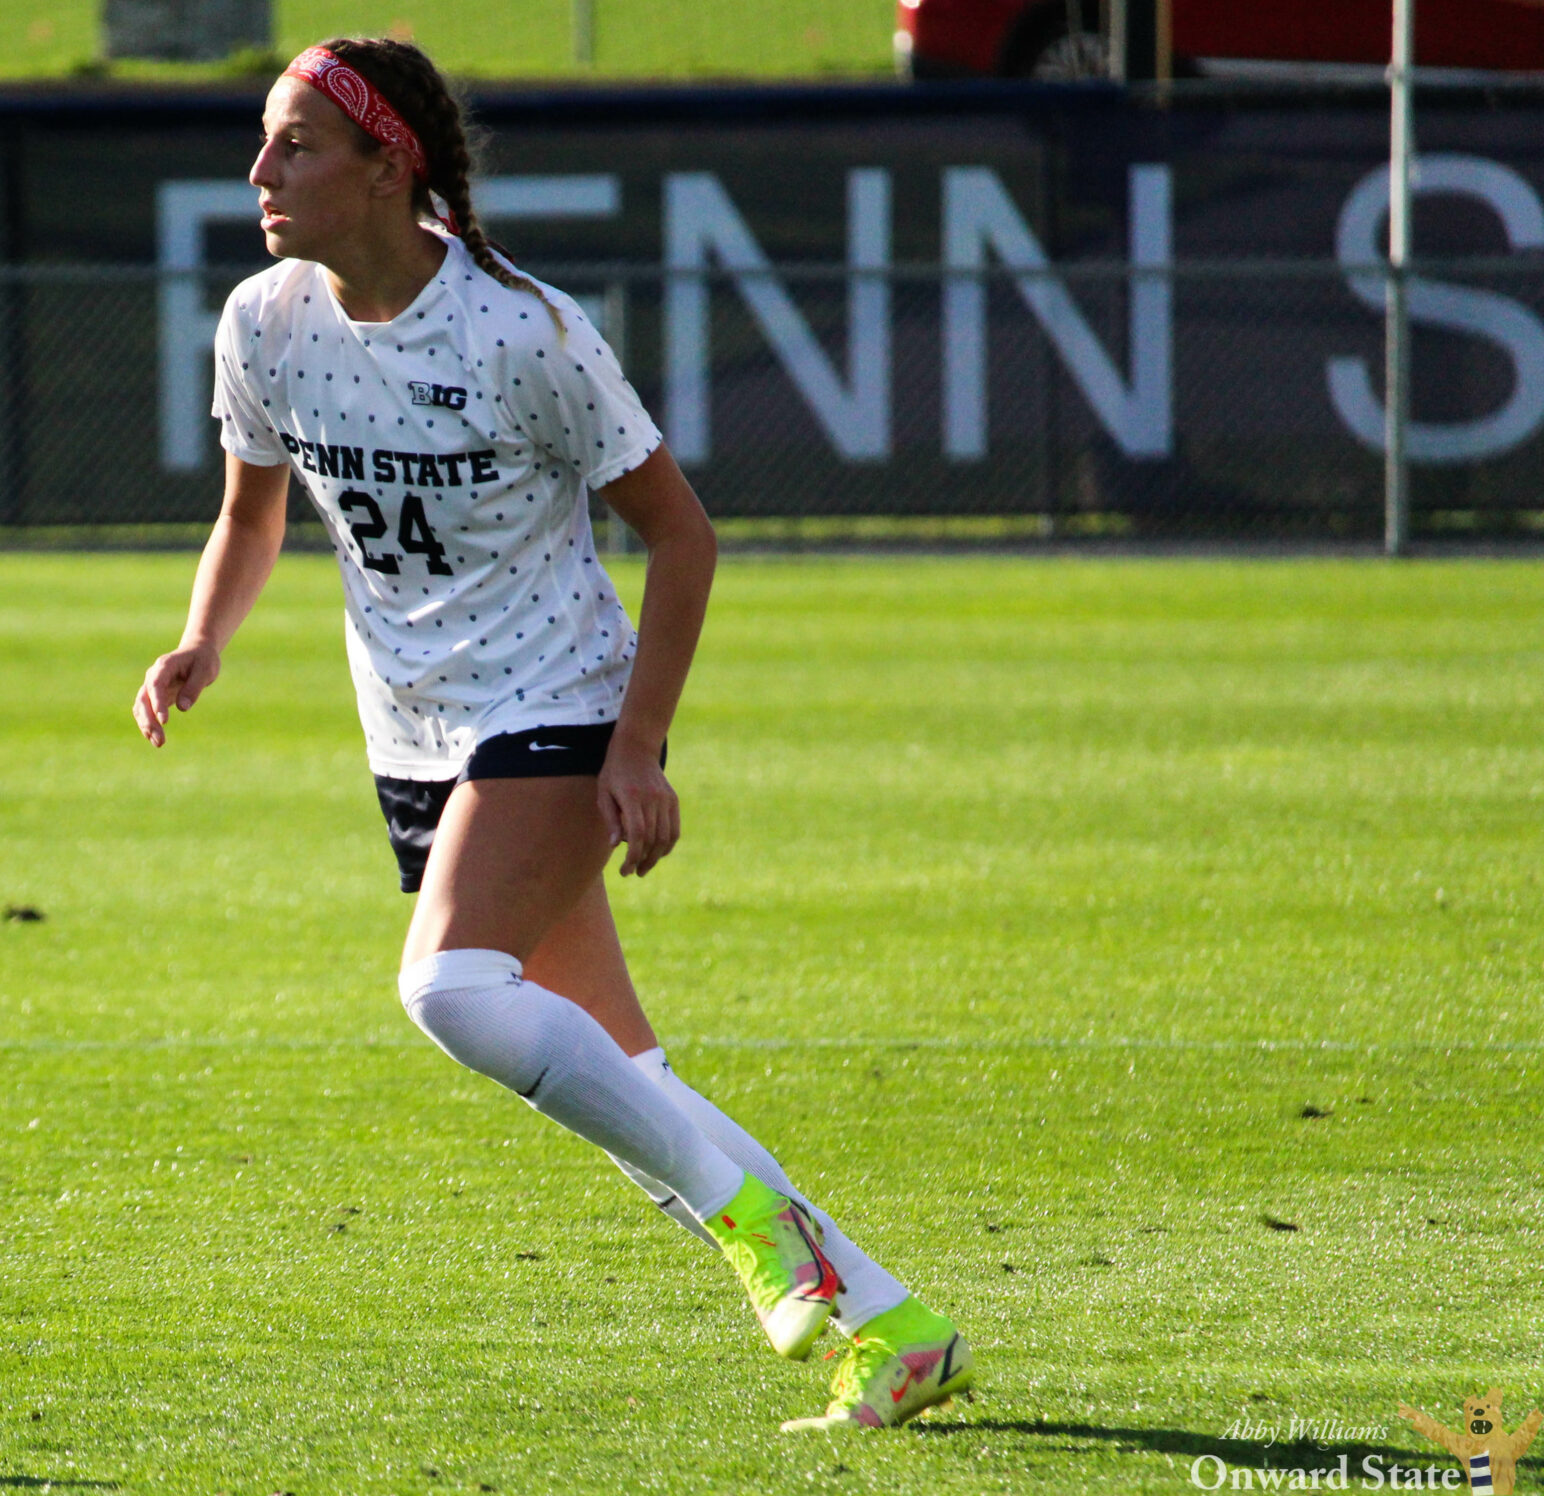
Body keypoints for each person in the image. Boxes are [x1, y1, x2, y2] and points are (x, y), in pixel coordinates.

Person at [131, 37, 974, 1433]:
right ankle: (892, 1322)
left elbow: (683, 538)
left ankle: (764, 1238)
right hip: (414, 739)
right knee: (624, 1077)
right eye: (264, 142)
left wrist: (638, 748)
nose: (259, 172)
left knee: (450, 990)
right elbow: (251, 511)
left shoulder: (522, 331)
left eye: (295, 145)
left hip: (559, 708)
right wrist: (204, 638)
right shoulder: (264, 323)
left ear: (389, 163)